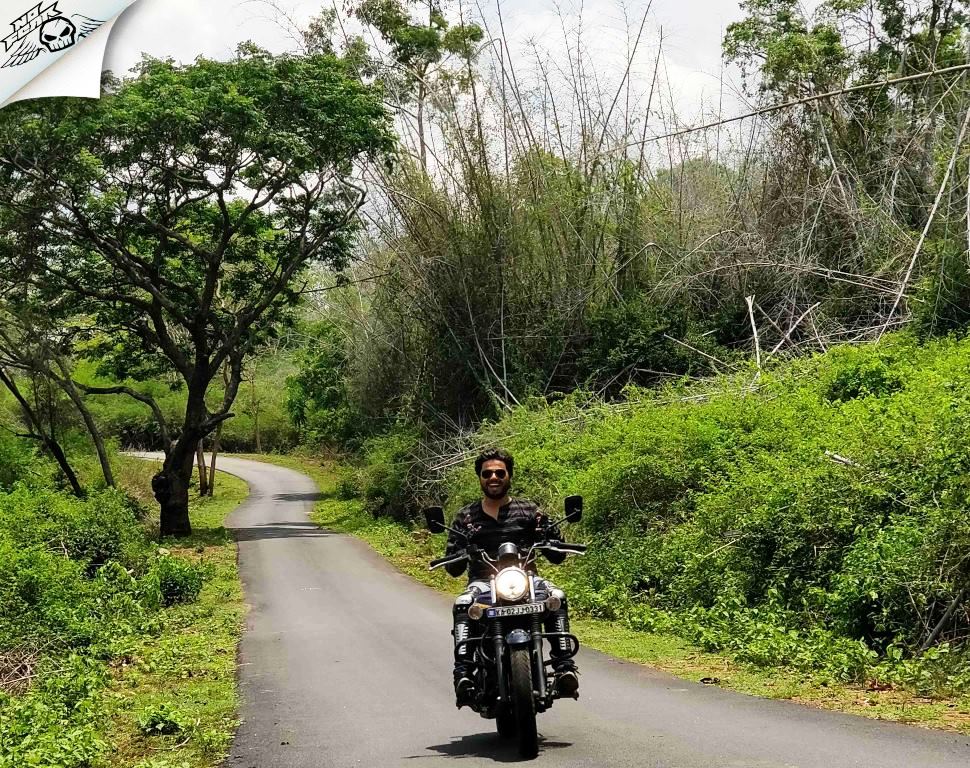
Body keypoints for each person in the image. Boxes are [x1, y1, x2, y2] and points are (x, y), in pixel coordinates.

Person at [443, 447, 579, 707]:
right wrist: (460, 553)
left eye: (499, 472)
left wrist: (551, 541)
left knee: (557, 596)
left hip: (527, 579)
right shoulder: (465, 516)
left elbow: (556, 552)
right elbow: (452, 566)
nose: (493, 477)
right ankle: (462, 675)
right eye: (487, 473)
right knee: (462, 604)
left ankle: (564, 668)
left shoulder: (529, 510)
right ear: (480, 478)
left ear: (509, 476)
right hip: (482, 584)